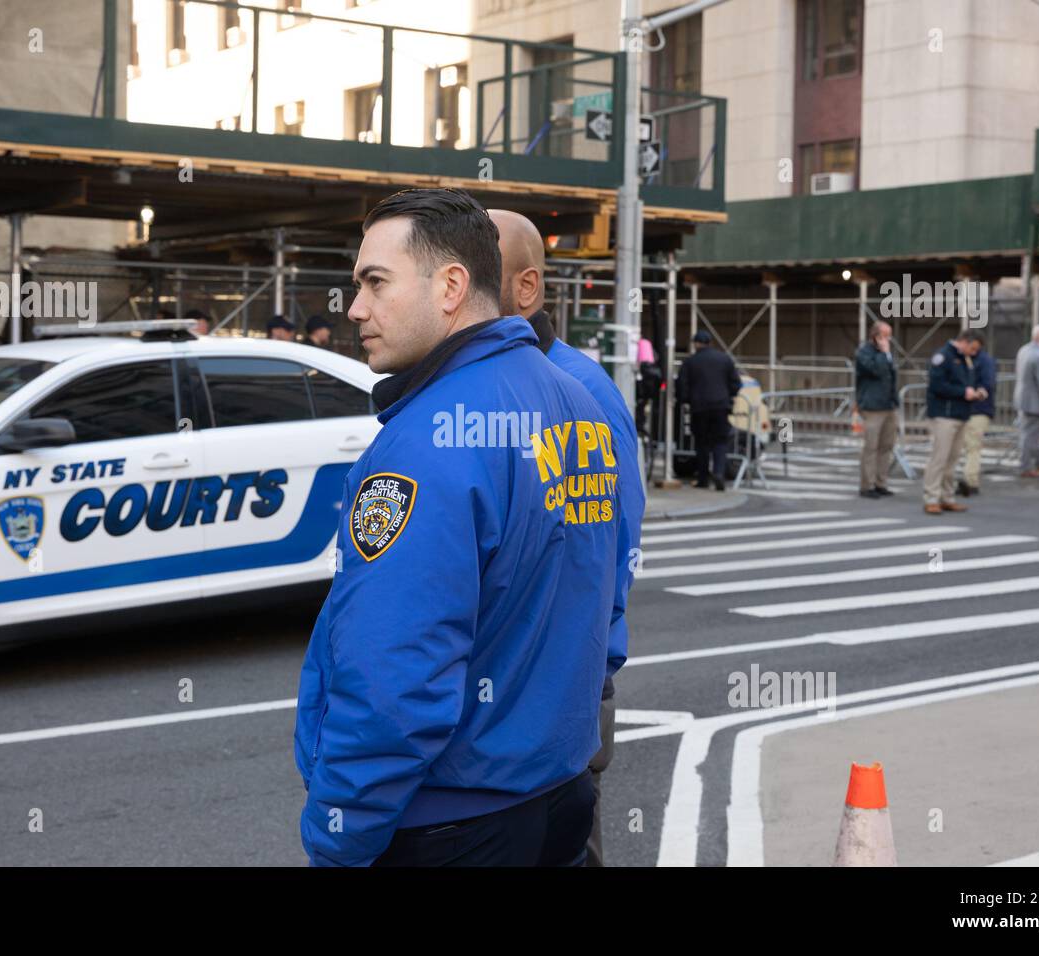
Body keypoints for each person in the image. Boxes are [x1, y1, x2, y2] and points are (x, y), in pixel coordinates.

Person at [293, 188, 622, 867]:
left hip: (453, 821)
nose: (355, 309)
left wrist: (338, 834)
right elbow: (602, 599)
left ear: (450, 286)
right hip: (557, 793)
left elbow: (394, 680)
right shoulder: (577, 401)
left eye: (375, 283)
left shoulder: (423, 444)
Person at [488, 207, 645, 868]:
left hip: (564, 684)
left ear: (526, 290)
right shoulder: (488, 386)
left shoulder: (579, 391)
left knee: (569, 847)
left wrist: (588, 667)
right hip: (508, 686)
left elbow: (612, 550)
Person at [922, 330, 985, 514]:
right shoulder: (943, 356)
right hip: (944, 415)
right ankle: (931, 497)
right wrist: (963, 392)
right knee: (939, 459)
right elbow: (936, 385)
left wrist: (977, 391)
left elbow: (967, 381)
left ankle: (947, 497)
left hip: (960, 414)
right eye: (972, 348)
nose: (974, 353)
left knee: (952, 460)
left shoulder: (965, 359)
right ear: (964, 341)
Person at [676, 329, 741, 491]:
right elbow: (736, 383)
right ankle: (719, 472)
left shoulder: (690, 362)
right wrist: (728, 395)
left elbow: (682, 386)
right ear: (710, 342)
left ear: (696, 344)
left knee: (701, 443)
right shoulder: (724, 359)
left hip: (699, 408)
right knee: (720, 442)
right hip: (720, 406)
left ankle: (703, 478)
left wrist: (685, 400)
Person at [854, 320, 899, 499]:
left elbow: (892, 376)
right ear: (876, 336)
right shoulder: (864, 353)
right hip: (872, 406)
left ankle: (881, 482)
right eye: (885, 336)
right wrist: (883, 352)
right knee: (871, 447)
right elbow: (876, 370)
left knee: (886, 446)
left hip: (889, 405)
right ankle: (867, 485)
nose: (889, 339)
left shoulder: (887, 354)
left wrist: (886, 354)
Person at [1014, 324, 1039, 478]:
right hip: (1034, 402)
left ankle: (1038, 461)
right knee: (1030, 435)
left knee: (1030, 434)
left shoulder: (1024, 350)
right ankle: (1025, 467)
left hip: (1022, 399)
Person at [958, 331, 995, 496]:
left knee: (972, 446)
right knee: (968, 446)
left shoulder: (984, 361)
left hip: (978, 409)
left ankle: (970, 480)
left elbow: (987, 383)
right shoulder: (964, 359)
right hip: (967, 408)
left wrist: (977, 393)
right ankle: (968, 479)